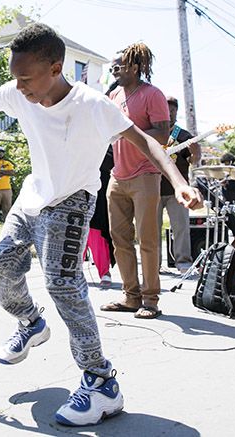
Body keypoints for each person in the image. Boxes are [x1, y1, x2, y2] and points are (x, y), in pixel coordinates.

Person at [0, 23, 200, 426]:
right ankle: (31, 322)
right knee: (1, 265)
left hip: (72, 200)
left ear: (55, 68)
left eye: (26, 78)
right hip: (32, 196)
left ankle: (102, 381)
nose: (19, 88)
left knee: (62, 283)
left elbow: (147, 141)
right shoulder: (16, 91)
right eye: (15, 77)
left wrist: (178, 182)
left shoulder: (94, 104)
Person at [100, 42, 171, 319]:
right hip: (117, 177)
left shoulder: (152, 95)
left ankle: (150, 299)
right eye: (112, 66)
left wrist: (129, 132)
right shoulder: (113, 95)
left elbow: (163, 135)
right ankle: (131, 297)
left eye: (119, 65)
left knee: (148, 240)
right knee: (119, 240)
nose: (114, 70)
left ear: (136, 66)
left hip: (145, 175)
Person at [158, 97, 201, 273]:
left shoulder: (183, 136)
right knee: (151, 229)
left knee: (181, 227)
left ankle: (183, 262)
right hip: (153, 188)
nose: (169, 113)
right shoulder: (153, 133)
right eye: (165, 109)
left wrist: (196, 152)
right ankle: (154, 264)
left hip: (178, 189)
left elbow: (193, 160)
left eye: (172, 110)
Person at [84, 146, 116, 288]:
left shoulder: (107, 143)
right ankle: (73, 274)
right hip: (77, 190)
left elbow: (112, 163)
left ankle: (104, 273)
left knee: (97, 235)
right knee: (75, 236)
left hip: (99, 192)